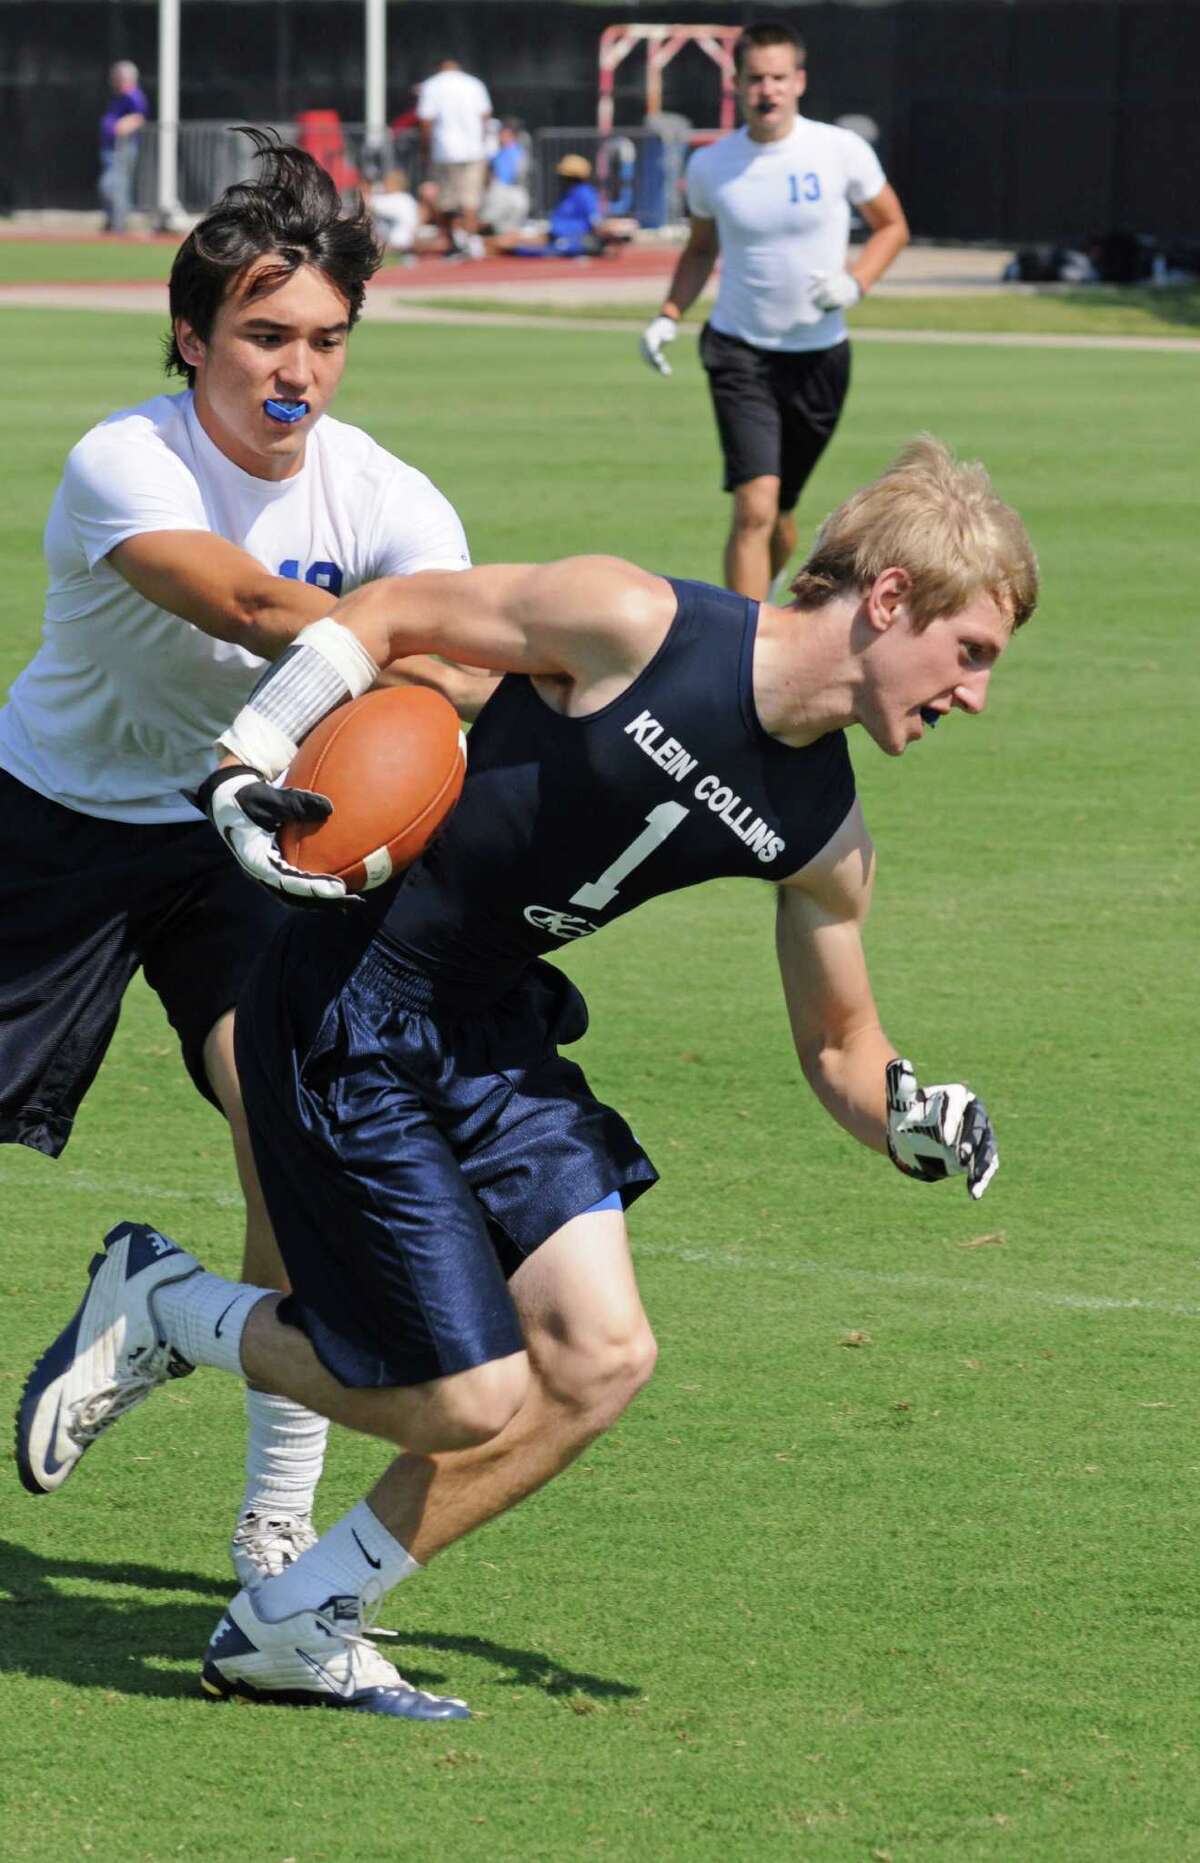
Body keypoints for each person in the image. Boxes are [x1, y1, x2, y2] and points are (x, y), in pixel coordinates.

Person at [17, 437, 1038, 1721]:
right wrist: (252, 754)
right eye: (974, 653)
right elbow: (387, 613)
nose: (976, 696)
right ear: (889, 602)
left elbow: (842, 1045)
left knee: (601, 1358)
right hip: (347, 1000)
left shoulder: (827, 836)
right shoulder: (633, 619)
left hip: (494, 1031)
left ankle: (295, 1619)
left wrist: (909, 1114)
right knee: (466, 1397)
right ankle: (170, 1310)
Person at [3, 128, 489, 1592]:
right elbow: (252, 597)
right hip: (58, 821)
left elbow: (457, 669)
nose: (300, 370)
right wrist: (389, 640)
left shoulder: (386, 493)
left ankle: (273, 1517)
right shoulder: (123, 462)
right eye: (267, 334)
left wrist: (442, 665)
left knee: (285, 1131)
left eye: (329, 339)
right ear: (192, 336)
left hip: (252, 841)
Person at [639, 22, 910, 602]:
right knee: (754, 505)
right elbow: (701, 249)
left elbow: (893, 226)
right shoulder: (713, 166)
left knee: (781, 513)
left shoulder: (839, 151)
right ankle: (745, 647)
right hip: (740, 350)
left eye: (779, 78)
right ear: (737, 83)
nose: (768, 90)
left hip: (820, 360)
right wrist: (668, 313)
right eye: (756, 78)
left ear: (799, 82)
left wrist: (854, 283)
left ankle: (766, 588)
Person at [417, 58, 493, 259]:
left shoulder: (432, 85)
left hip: (444, 150)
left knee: (445, 202)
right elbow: (484, 116)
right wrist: (483, 142)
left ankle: (453, 242)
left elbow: (425, 120)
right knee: (470, 200)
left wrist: (425, 149)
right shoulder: (474, 84)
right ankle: (470, 241)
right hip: (473, 149)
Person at [99, 60, 150, 234]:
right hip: (111, 147)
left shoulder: (133, 96)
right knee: (118, 186)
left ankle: (118, 223)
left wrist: (120, 127)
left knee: (111, 185)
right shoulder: (118, 96)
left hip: (122, 148)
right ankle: (115, 221)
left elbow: (138, 118)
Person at [480, 120, 530, 237]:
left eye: (505, 134)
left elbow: (519, 173)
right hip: (497, 190)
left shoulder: (519, 152)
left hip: (512, 190)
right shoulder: (495, 151)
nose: (501, 137)